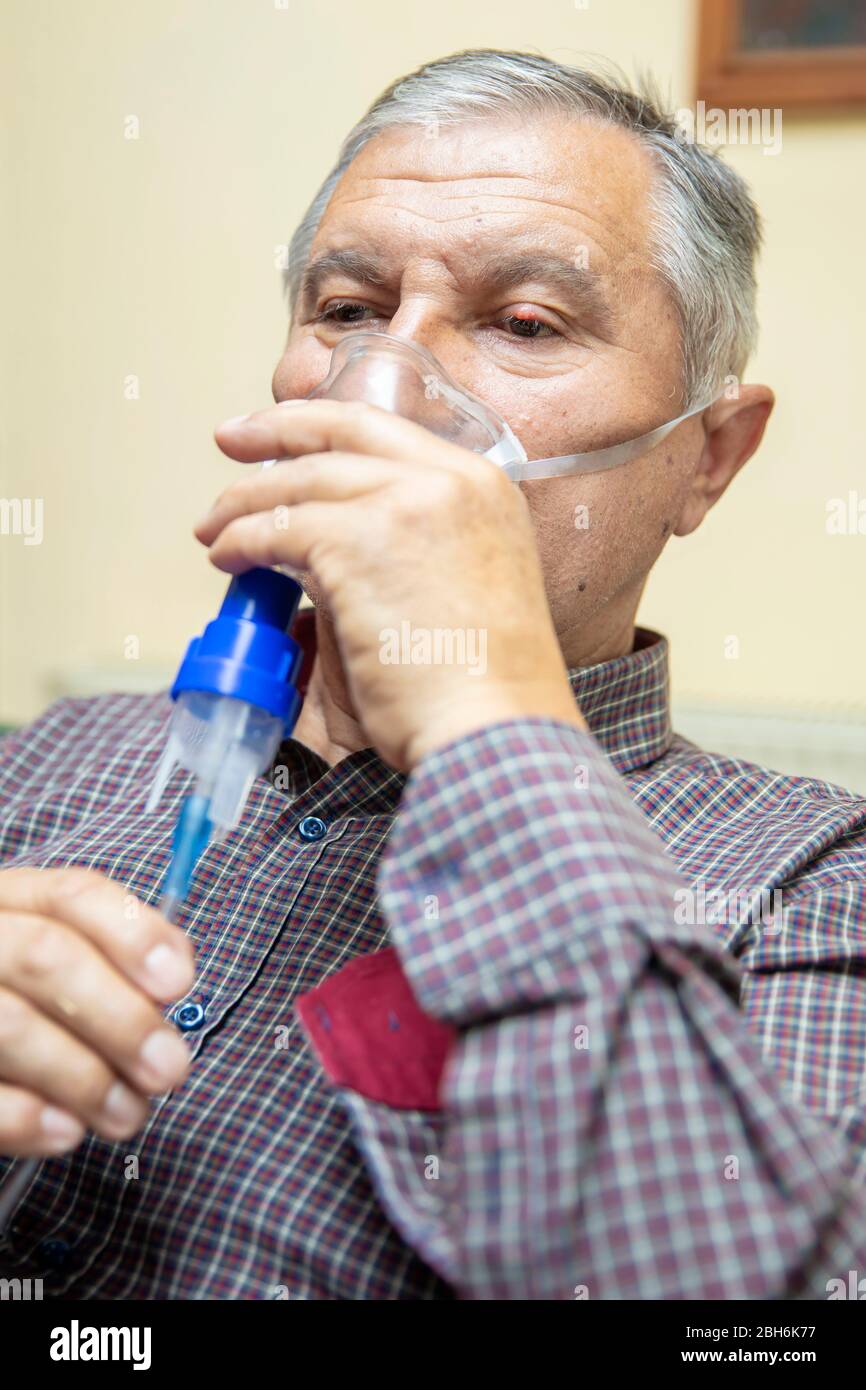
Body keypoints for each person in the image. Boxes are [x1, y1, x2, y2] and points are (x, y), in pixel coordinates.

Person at [1, 49, 864, 1300]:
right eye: (347, 309)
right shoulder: (52, 764)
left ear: (706, 458)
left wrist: (481, 712)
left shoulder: (807, 889)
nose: (388, 396)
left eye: (524, 323)